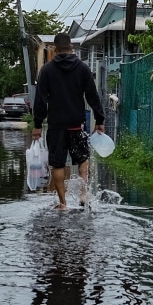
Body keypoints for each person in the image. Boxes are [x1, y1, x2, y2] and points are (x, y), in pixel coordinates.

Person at [32, 33, 105, 210]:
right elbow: (92, 96)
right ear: (71, 47)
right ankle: (83, 194)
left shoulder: (47, 70)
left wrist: (37, 124)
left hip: (56, 124)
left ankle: (63, 203)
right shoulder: (83, 68)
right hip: (76, 123)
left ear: (55, 49)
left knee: (57, 163)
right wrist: (100, 119)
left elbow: (40, 100)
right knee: (83, 158)